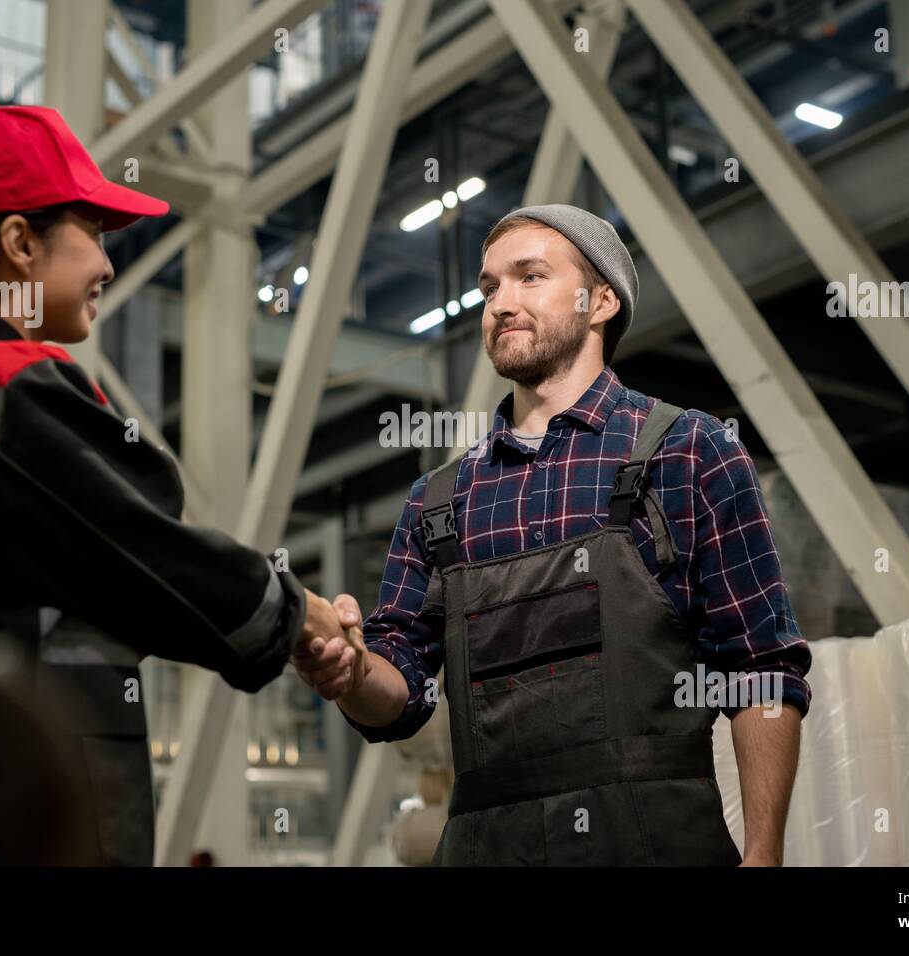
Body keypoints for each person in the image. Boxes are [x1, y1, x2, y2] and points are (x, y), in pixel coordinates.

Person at [0, 103, 358, 866]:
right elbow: (145, 551)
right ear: (21, 242)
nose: (107, 265)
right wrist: (300, 616)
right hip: (38, 787)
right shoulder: (0, 381)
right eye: (92, 232)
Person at [295, 204, 812, 866]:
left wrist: (764, 854)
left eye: (530, 276)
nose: (501, 304)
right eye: (488, 287)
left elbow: (760, 668)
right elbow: (400, 698)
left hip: (656, 845)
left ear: (600, 301)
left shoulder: (687, 453)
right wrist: (350, 670)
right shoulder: (440, 501)